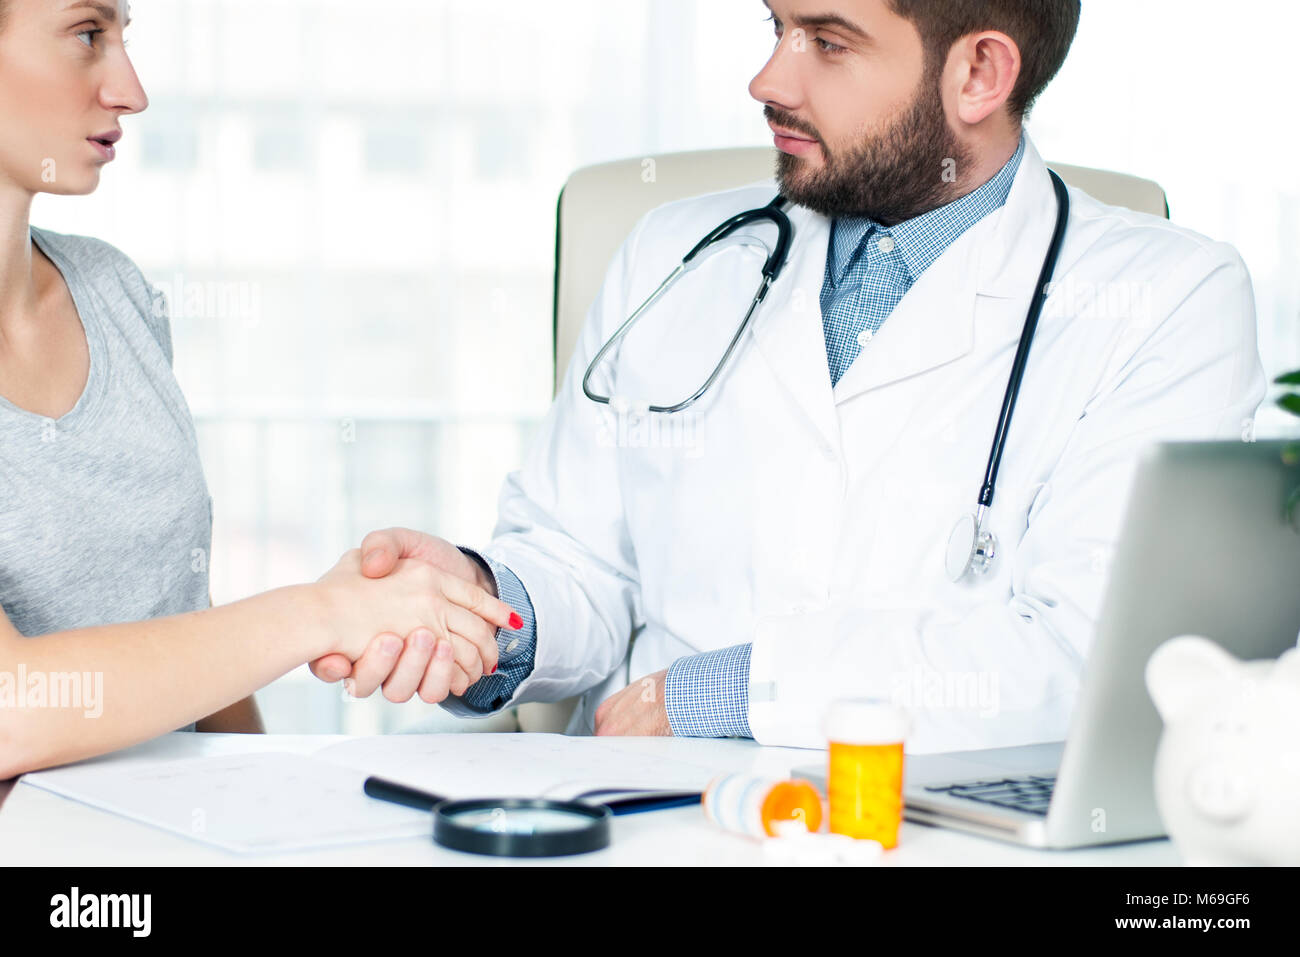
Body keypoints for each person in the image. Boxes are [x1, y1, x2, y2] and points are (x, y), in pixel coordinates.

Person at [320, 0, 1268, 751]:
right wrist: (489, 611)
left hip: (939, 831)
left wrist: (724, 692)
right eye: (776, 27)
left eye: (828, 41)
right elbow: (582, 562)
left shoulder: (1165, 298)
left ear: (980, 71)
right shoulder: (673, 254)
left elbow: (1091, 659)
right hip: (657, 815)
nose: (768, 77)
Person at [0, 0, 518, 779]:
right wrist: (323, 612)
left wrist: (270, 803)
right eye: (87, 35)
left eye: (123, 39)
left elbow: (186, 629)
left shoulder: (114, 293)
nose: (130, 90)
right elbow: (11, 710)